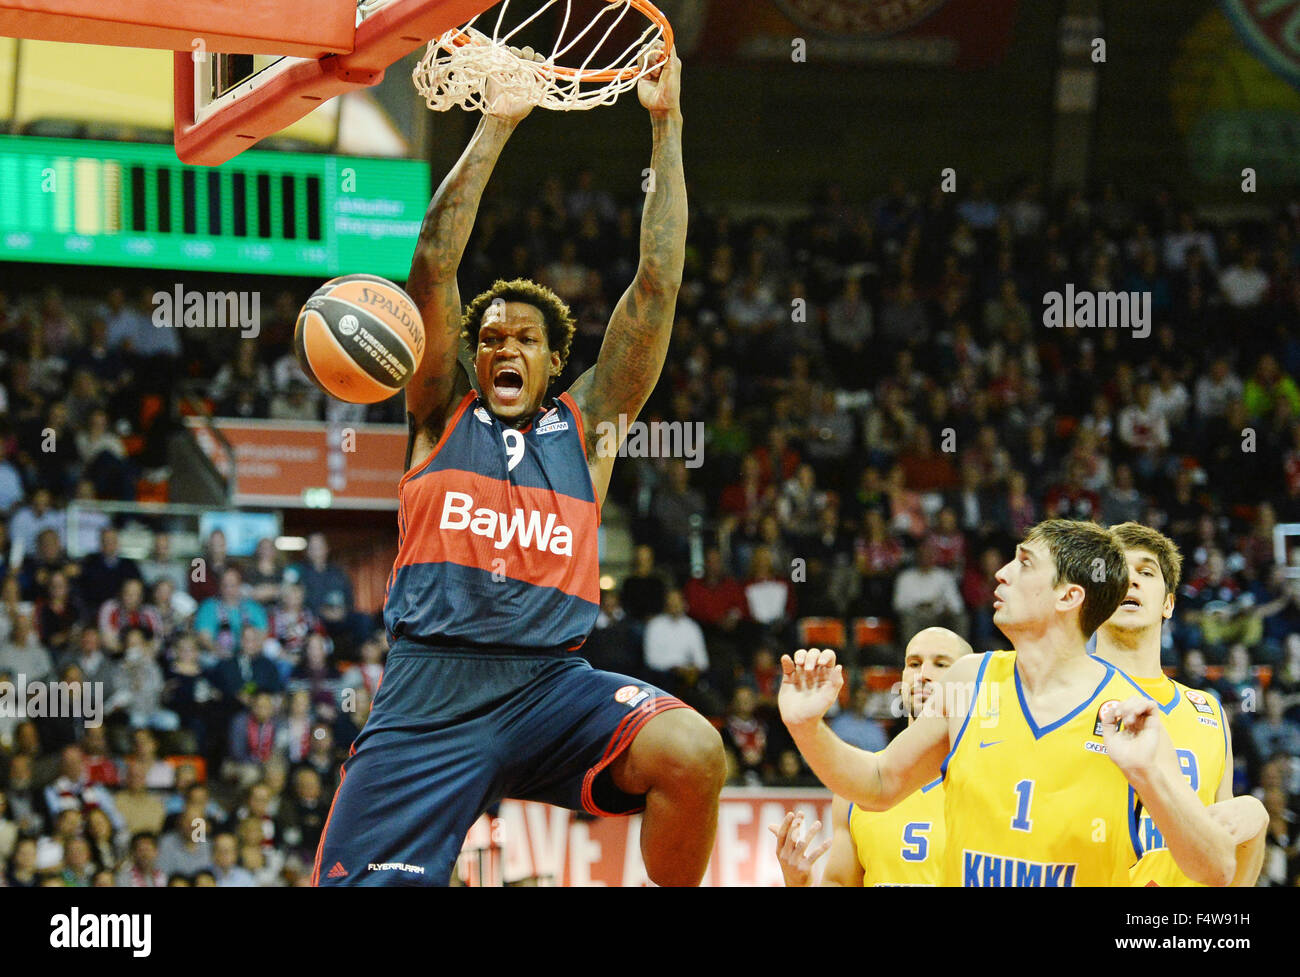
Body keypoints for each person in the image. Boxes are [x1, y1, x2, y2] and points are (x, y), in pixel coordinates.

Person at [313, 46, 724, 888]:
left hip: (551, 686)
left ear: (552, 360)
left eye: (524, 337)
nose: (502, 343)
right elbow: (432, 263)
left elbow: (656, 285)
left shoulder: (591, 428)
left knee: (694, 751)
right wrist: (495, 123)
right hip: (432, 690)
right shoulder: (438, 412)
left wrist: (665, 122)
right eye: (489, 334)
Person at [778, 519, 1242, 886]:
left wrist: (1149, 777)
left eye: (1023, 563)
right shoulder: (969, 680)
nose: (1000, 573)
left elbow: (1218, 868)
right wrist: (807, 728)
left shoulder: (1129, 711)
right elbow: (878, 784)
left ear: (1069, 595)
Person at [1094, 522, 1268, 886]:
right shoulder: (1057, 698)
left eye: (1145, 571)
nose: (1131, 581)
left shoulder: (1209, 712)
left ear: (1169, 604)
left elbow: (1223, 863)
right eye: (1117, 572)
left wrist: (1256, 823)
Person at [771, 627, 970, 886]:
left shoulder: (987, 777)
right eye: (914, 663)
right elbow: (840, 883)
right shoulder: (855, 789)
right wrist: (799, 882)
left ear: (970, 683)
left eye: (941, 664)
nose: (923, 674)